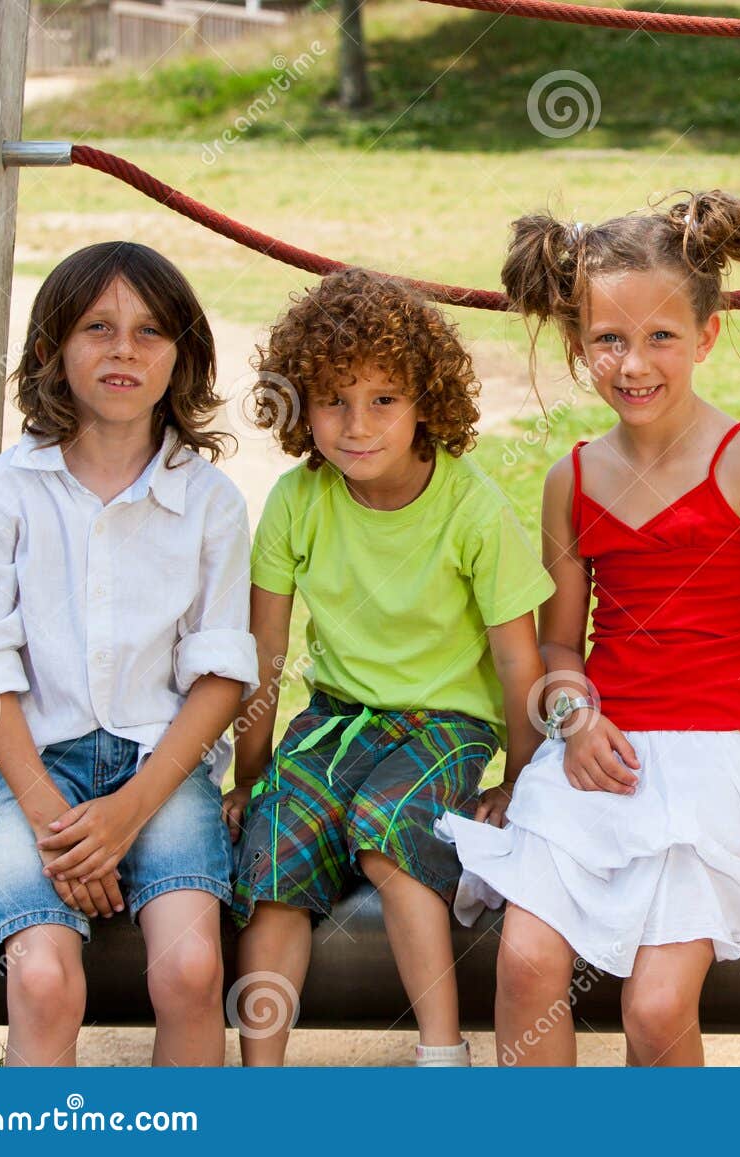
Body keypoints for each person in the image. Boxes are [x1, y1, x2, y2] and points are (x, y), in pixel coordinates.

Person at [442, 191, 740, 1066]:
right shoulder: (570, 479)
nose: (634, 363)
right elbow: (556, 651)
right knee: (527, 965)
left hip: (721, 759)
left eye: (661, 337)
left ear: (708, 337)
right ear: (579, 347)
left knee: (656, 1010)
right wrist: (571, 721)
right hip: (599, 754)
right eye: (608, 339)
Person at [0, 241, 257, 1065]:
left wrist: (127, 812)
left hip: (161, 765)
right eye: (97, 327)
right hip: (33, 767)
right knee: (43, 980)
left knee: (189, 968)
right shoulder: (0, 497)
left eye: (150, 332)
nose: (123, 350)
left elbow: (220, 678)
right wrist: (57, 822)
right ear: (50, 351)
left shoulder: (208, 502)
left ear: (182, 356)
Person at [224, 269, 551, 1067]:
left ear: (425, 403)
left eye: (383, 400)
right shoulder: (298, 501)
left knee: (388, 831)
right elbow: (265, 656)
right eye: (333, 399)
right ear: (301, 405)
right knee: (272, 843)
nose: (356, 425)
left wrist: (522, 779)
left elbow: (519, 660)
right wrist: (252, 775)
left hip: (447, 722)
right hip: (336, 716)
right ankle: (259, 1075)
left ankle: (442, 1054)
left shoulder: (473, 509)